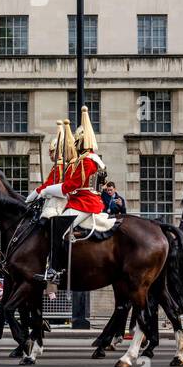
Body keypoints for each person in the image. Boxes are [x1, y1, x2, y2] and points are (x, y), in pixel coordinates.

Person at [34, 108, 106, 285]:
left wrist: (48, 190)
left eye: (77, 140)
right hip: (83, 200)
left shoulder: (86, 160)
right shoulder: (92, 158)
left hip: (85, 202)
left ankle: (55, 270)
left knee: (57, 226)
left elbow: (70, 186)